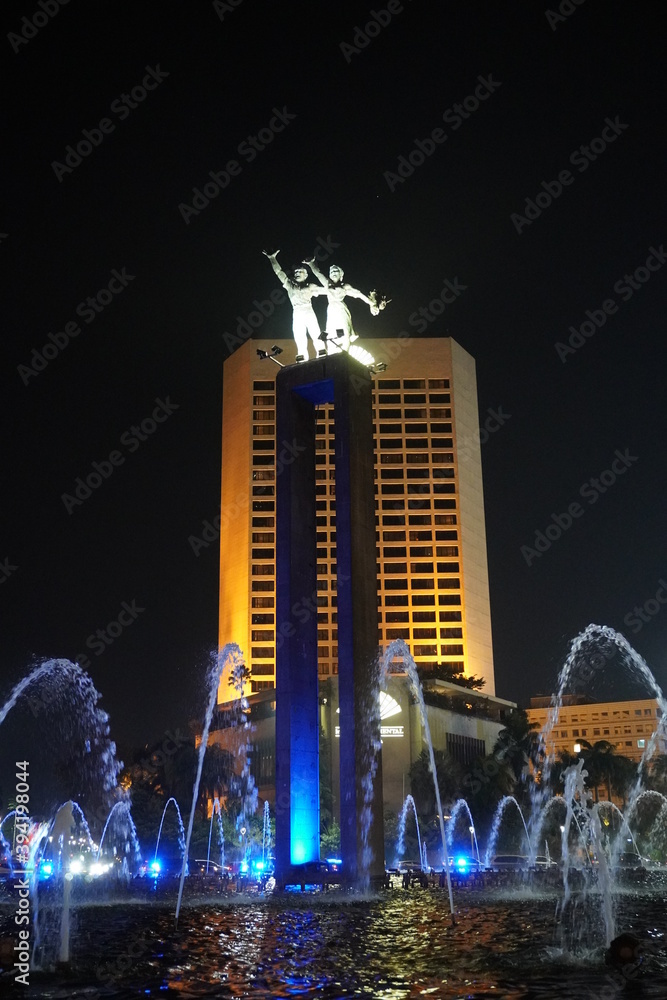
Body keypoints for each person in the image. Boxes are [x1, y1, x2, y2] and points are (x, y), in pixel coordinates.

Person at [263, 250, 328, 362]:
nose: (297, 273)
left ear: (306, 274)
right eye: (295, 271)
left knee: (315, 331)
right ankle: (302, 353)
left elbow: (327, 290)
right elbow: (279, 272)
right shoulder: (289, 285)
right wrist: (272, 259)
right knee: (299, 334)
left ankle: (320, 349)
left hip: (308, 310)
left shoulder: (310, 286)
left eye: (300, 271)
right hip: (297, 312)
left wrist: (313, 266)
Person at [303, 259, 379, 354]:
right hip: (331, 311)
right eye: (331, 271)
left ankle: (345, 354)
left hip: (341, 310)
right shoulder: (327, 284)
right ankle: (331, 355)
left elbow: (358, 294)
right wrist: (311, 264)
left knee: (345, 332)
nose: (333, 273)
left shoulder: (345, 286)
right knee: (331, 333)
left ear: (341, 275)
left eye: (336, 271)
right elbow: (318, 274)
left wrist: (371, 304)